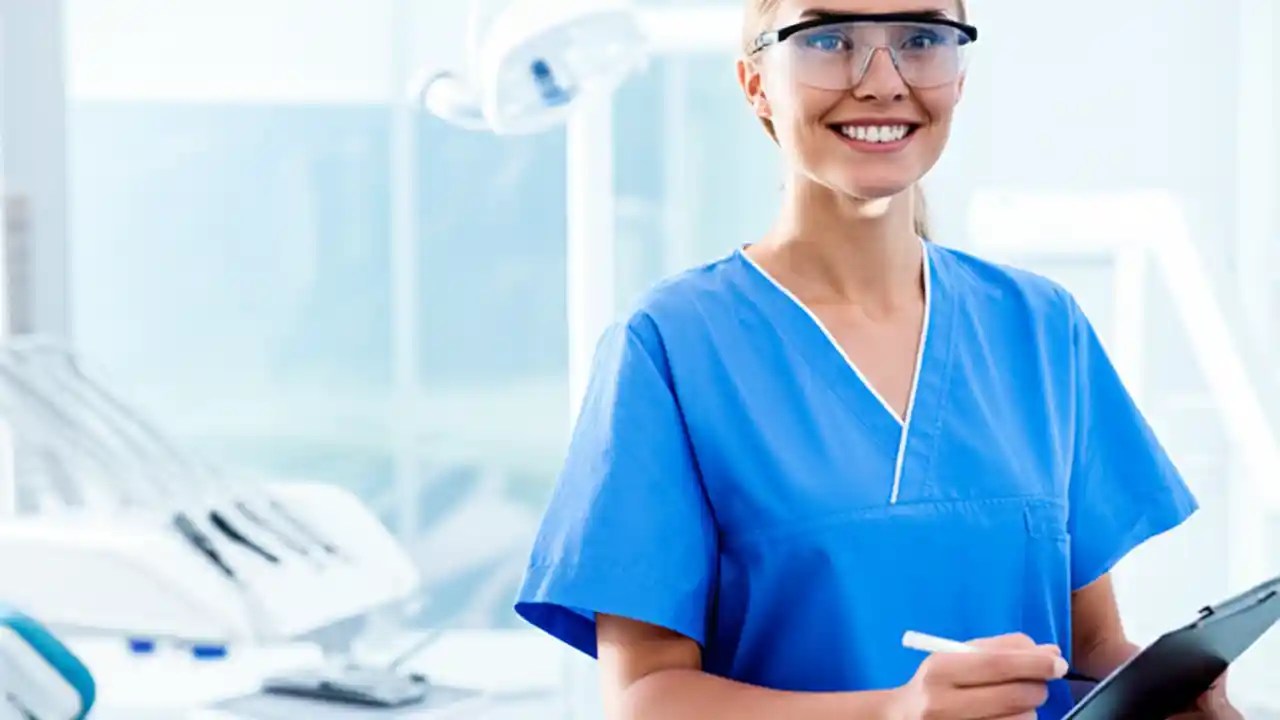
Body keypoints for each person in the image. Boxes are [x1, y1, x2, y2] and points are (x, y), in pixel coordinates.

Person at [514, 1, 1240, 718]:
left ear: (960, 76)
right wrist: (892, 713)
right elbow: (645, 697)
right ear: (755, 83)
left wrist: (1170, 697)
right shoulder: (671, 347)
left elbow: (1090, 646)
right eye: (829, 39)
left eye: (921, 37)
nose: (882, 80)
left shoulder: (1041, 326)